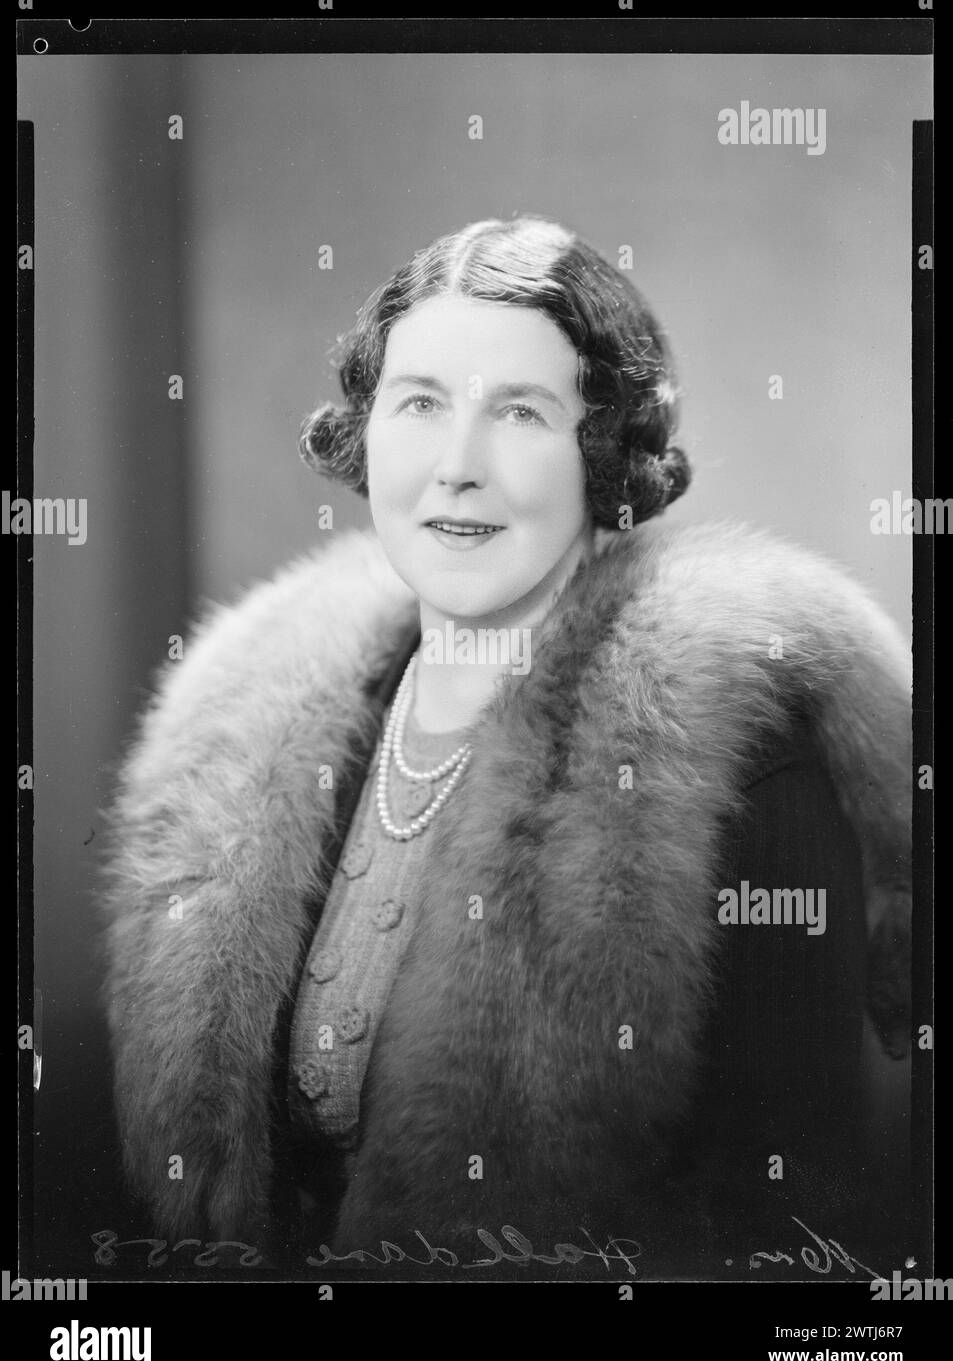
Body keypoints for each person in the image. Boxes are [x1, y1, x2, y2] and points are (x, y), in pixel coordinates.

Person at [102, 216, 911, 1281]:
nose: (456, 467)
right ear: (363, 431)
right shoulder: (254, 737)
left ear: (605, 453)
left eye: (519, 413)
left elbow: (799, 1268)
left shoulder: (749, 780)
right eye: (420, 404)